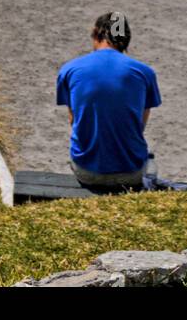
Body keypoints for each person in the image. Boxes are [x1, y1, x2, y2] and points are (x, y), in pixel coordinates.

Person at [56, 10, 161, 191]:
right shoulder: (145, 73)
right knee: (150, 162)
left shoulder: (69, 70)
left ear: (96, 33)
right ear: (125, 38)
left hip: (87, 171)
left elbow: (74, 121)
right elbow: (140, 125)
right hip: (131, 172)